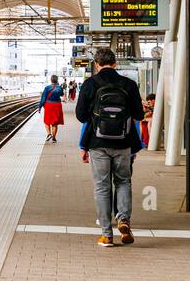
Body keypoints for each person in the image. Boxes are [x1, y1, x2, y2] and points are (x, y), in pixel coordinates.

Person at [75, 48, 145, 248]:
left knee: (102, 186)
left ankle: (107, 235)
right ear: (115, 63)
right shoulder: (129, 84)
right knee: (123, 181)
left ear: (97, 64)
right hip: (123, 143)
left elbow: (80, 116)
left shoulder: (90, 84)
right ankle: (123, 220)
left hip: (98, 144)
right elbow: (139, 115)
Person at [39, 74, 64, 143]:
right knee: (55, 122)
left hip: (49, 105)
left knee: (47, 120)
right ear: (57, 80)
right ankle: (54, 138)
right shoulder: (59, 88)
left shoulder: (47, 88)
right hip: (57, 105)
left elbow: (43, 98)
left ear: (51, 80)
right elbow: (61, 94)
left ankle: (49, 134)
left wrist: (40, 106)